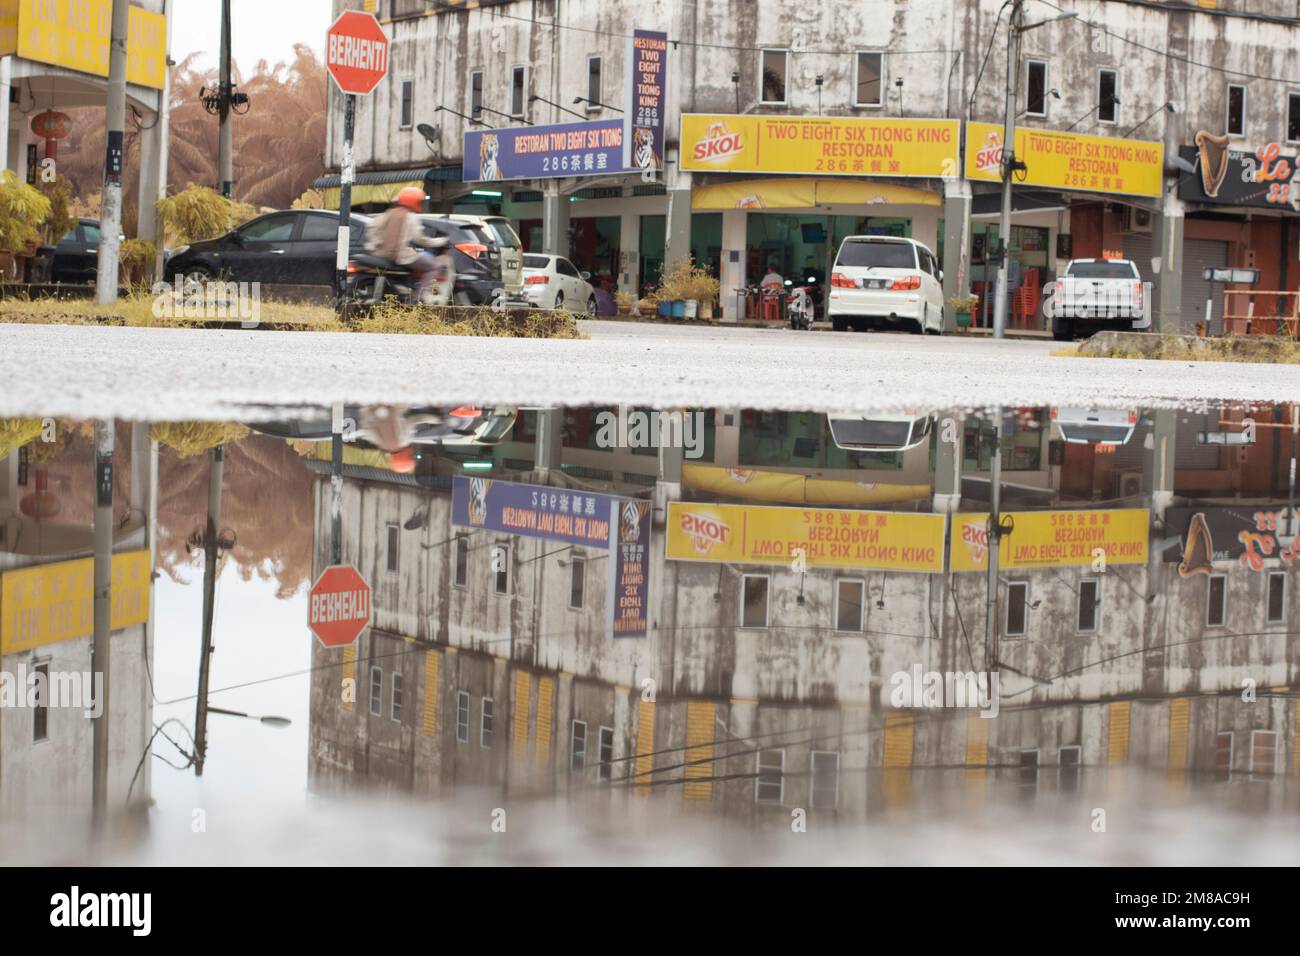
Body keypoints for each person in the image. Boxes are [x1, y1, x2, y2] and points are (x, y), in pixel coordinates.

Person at [364, 187, 449, 304]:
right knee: (435, 266)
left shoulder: (388, 213)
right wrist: (441, 241)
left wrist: (376, 243)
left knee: (418, 255)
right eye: (420, 202)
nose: (421, 204)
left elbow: (372, 227)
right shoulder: (410, 217)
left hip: (380, 254)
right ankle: (417, 298)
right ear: (413, 201)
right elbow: (421, 239)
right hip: (400, 257)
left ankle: (408, 287)